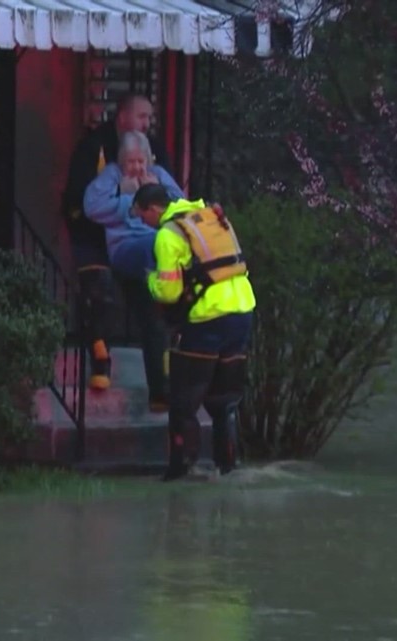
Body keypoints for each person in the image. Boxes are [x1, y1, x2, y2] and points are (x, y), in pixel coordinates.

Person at [131, 184, 256, 481]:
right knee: (224, 400)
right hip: (243, 310)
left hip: (206, 318)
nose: (142, 223)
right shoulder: (208, 216)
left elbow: (170, 292)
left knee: (183, 401)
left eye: (141, 216)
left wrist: (149, 282)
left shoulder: (167, 235)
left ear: (152, 209)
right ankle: (228, 466)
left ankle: (179, 470)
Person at [61, 94, 172, 392]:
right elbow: (84, 203)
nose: (148, 123)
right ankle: (100, 360)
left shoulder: (156, 156)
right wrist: (129, 204)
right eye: (142, 117)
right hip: (97, 236)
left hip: (143, 241)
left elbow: (175, 201)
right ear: (122, 117)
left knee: (153, 310)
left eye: (150, 118)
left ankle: (162, 385)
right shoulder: (94, 149)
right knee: (99, 292)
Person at [83, 132, 184, 411]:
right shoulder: (112, 176)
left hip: (155, 252)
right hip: (126, 246)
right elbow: (92, 208)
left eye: (141, 161)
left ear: (149, 159)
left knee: (155, 319)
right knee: (162, 242)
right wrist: (129, 199)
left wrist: (158, 193)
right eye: (131, 162)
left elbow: (182, 204)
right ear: (121, 161)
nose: (137, 167)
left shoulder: (158, 174)